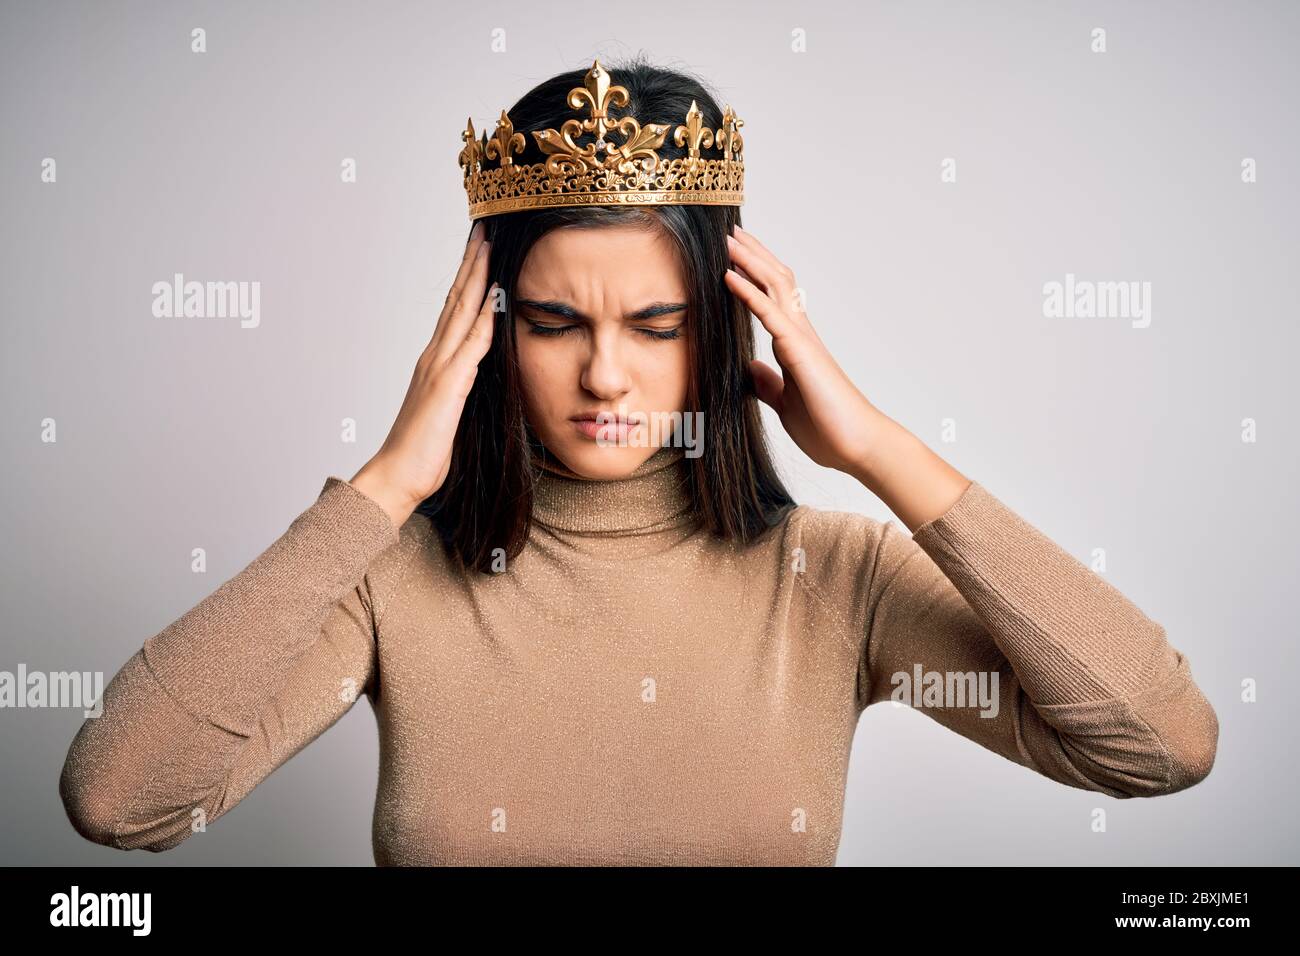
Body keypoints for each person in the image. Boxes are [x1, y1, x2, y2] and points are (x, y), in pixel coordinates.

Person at [58, 56, 1219, 866]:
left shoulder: (833, 578)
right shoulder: (389, 575)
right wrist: (382, 489)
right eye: (555, 323)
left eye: (656, 327)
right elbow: (120, 801)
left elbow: (1161, 746)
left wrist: (876, 449)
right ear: (489, 328)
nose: (605, 376)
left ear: (718, 334)